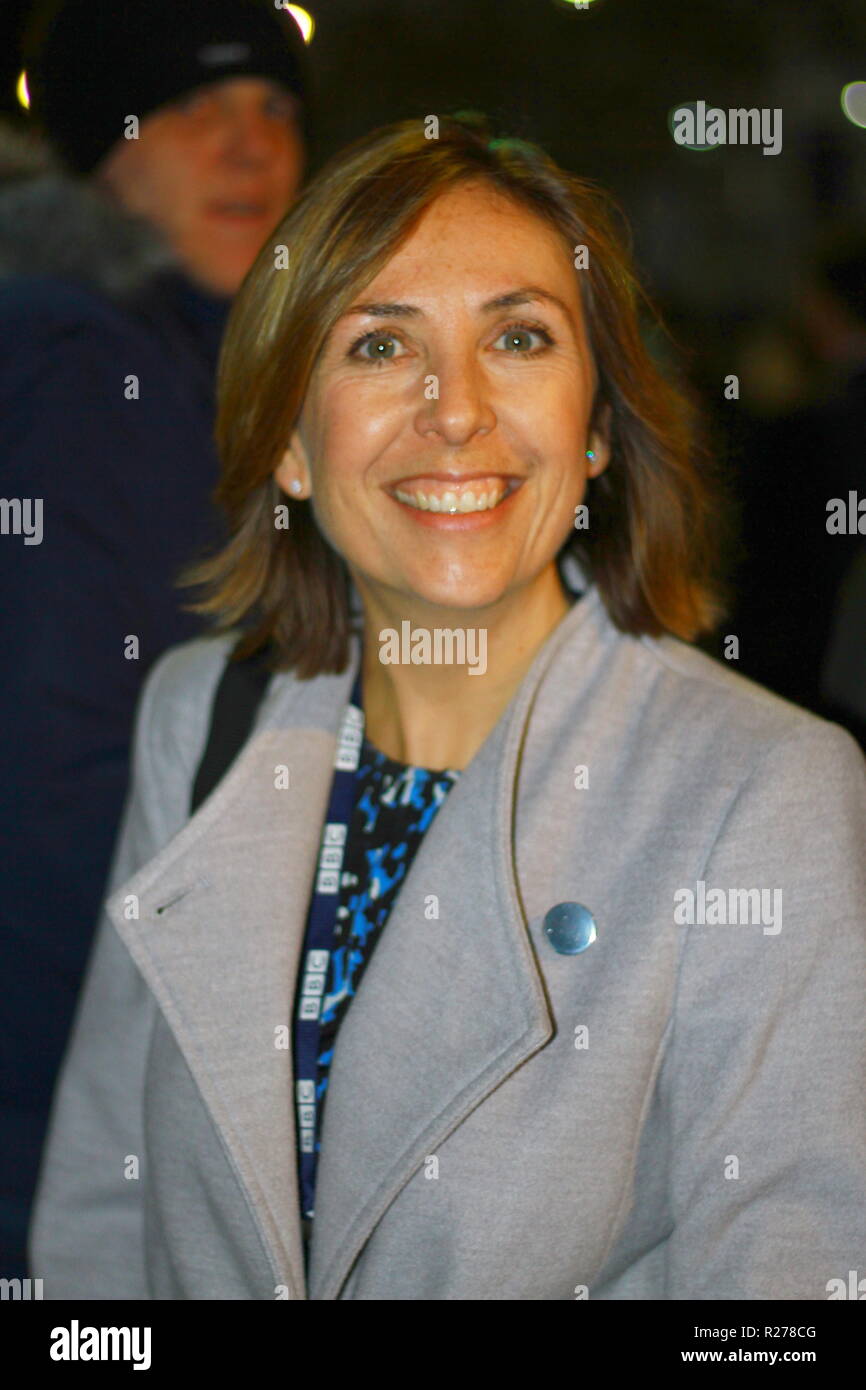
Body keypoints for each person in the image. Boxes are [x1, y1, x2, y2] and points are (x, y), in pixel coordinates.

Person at [29, 115, 866, 1301]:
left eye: (517, 337)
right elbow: (103, 1221)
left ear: (591, 431)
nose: (455, 409)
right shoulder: (203, 717)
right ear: (289, 442)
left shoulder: (760, 789)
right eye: (378, 347)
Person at [0, 0, 307, 1278]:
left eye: (274, 114)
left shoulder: (194, 358)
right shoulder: (84, 363)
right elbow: (53, 773)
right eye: (192, 113)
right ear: (100, 153)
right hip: (71, 1078)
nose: (248, 149)